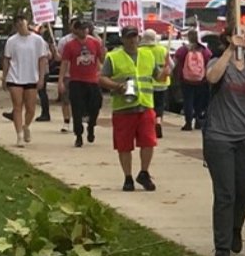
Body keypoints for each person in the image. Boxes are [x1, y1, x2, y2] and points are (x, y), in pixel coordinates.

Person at [202, 26, 245, 256]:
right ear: (228, 37)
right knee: (226, 193)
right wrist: (229, 50)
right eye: (240, 33)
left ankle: (235, 227)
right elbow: (212, 78)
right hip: (220, 136)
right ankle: (222, 248)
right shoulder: (219, 62)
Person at [98, 25, 167, 191]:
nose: (132, 40)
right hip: (124, 108)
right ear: (123, 39)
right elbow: (101, 78)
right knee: (124, 145)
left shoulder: (147, 55)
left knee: (149, 142)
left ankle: (144, 172)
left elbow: (157, 77)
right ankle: (127, 177)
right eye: (129, 37)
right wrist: (116, 86)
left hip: (145, 105)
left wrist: (166, 71)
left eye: (135, 36)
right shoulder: (114, 57)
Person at [1, 15, 49, 148]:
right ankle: (19, 135)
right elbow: (7, 59)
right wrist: (4, 77)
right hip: (15, 76)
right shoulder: (12, 41)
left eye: (23, 24)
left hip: (31, 77)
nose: (21, 27)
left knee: (31, 108)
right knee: (17, 106)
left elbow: (42, 59)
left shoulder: (37, 40)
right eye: (18, 25)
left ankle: (26, 125)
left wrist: (41, 77)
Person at [60, 19, 105, 148]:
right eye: (82, 29)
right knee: (77, 109)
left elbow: (101, 59)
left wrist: (103, 50)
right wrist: (61, 80)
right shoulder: (70, 45)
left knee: (96, 104)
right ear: (76, 30)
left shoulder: (94, 43)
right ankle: (79, 135)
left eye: (86, 28)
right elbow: (64, 63)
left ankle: (91, 126)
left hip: (92, 80)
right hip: (76, 81)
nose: (84, 31)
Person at [172, 29, 212, 131]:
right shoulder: (205, 50)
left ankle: (188, 123)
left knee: (188, 101)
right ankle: (199, 121)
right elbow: (210, 63)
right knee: (199, 102)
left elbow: (174, 63)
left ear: (189, 37)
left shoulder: (183, 49)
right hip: (201, 80)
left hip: (186, 80)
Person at [141, 30, 173, 138]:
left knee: (149, 106)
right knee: (160, 105)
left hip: (146, 83)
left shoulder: (140, 51)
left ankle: (149, 125)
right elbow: (171, 65)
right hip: (162, 83)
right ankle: (158, 121)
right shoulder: (163, 50)